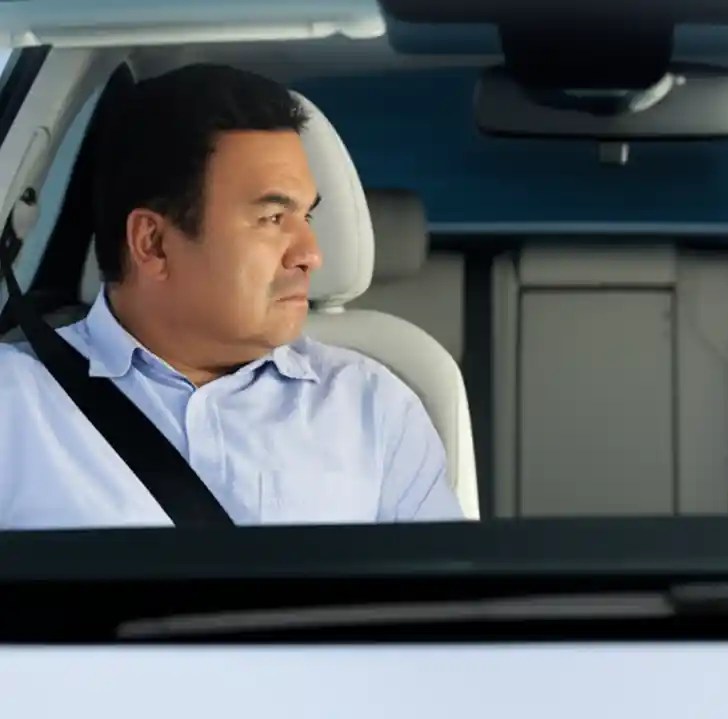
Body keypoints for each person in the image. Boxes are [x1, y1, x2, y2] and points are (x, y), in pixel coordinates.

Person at [0, 64, 463, 528]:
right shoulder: (14, 403)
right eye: (273, 219)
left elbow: (442, 601)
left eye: (308, 219)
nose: (310, 255)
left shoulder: (372, 409)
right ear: (153, 244)